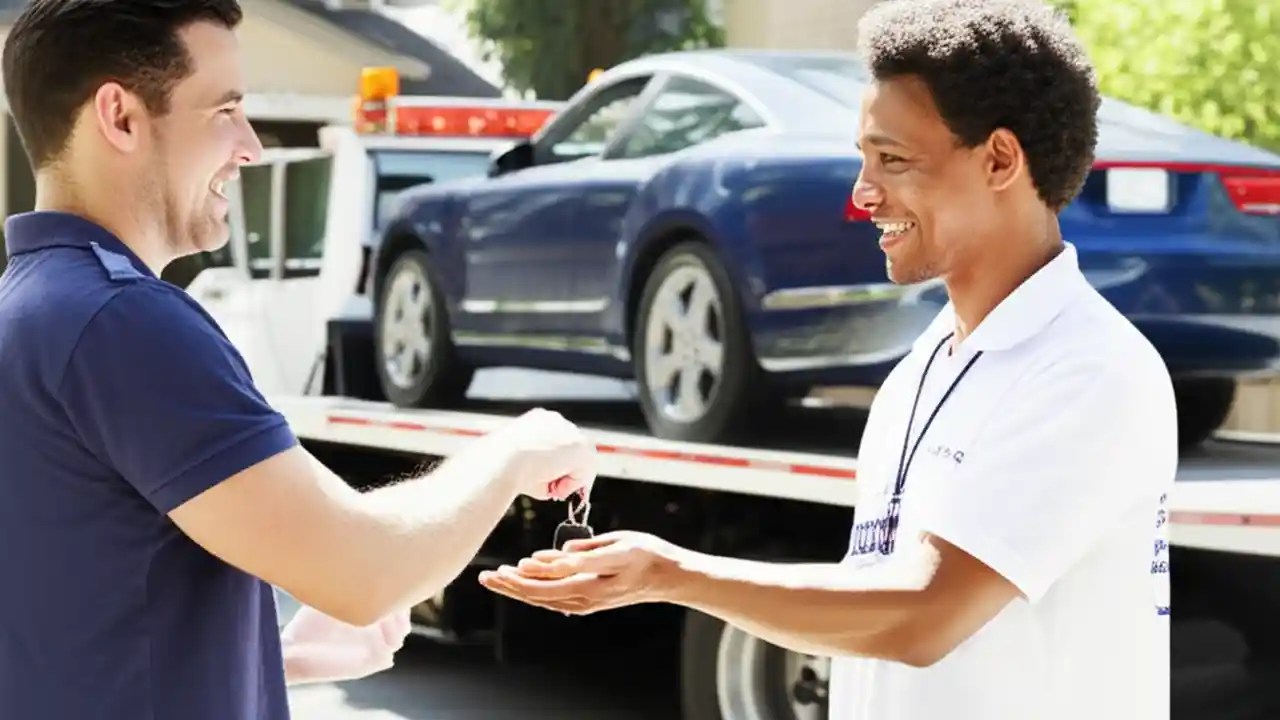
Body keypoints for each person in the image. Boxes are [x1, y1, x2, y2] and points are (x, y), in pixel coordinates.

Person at [479, 1, 1178, 718]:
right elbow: (869, 607)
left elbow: (923, 615)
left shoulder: (1090, 369)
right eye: (863, 159)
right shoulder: (922, 370)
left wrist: (670, 573)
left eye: (893, 160)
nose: (863, 193)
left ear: (999, 159)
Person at [0, 2, 595, 719]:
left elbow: (64, 621)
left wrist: (265, 655)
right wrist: (516, 452)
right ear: (120, 117)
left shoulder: (29, 314)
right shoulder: (122, 321)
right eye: (225, 111)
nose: (250, 147)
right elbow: (364, 573)